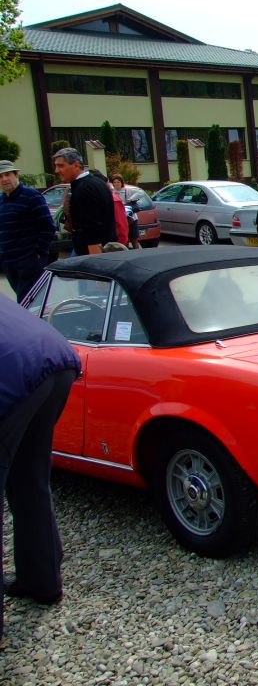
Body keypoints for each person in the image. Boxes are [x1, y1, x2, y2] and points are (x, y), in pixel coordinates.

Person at [1, 294, 81, 638]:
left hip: (14, 371)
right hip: (54, 357)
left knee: (27, 477)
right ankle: (42, 581)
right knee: (29, 477)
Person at [0, 160, 55, 301]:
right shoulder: (2, 201)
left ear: (16, 175)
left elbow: (48, 227)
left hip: (29, 261)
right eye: (0, 176)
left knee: (27, 302)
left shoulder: (31, 196)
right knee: (27, 302)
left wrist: (38, 253)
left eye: (7, 174)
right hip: (9, 263)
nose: (4, 179)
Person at [53, 148, 114, 256]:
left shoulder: (84, 188)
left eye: (61, 166)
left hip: (92, 255)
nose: (56, 170)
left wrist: (95, 262)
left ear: (76, 165)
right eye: (56, 166)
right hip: (104, 249)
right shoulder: (97, 182)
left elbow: (92, 229)